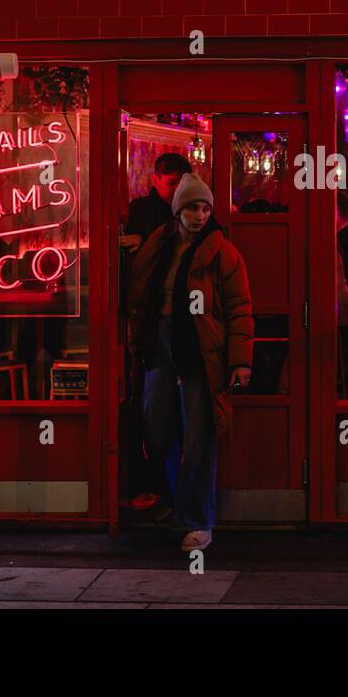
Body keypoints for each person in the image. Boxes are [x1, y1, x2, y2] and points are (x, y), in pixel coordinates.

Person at [124, 174, 254, 552]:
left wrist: (240, 362)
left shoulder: (222, 252)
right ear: (178, 209)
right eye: (193, 207)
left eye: (205, 208)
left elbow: (239, 309)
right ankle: (175, 502)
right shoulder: (158, 245)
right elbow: (138, 291)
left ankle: (197, 520)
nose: (200, 215)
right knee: (157, 429)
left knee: (199, 438)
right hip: (159, 347)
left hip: (199, 352)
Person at [120, 152, 193, 515]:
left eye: (180, 182)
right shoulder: (146, 211)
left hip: (165, 327)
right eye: (170, 181)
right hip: (155, 327)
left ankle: (173, 493)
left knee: (169, 411)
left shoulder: (187, 219)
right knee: (155, 411)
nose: (175, 188)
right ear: (156, 178)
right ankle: (163, 489)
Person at [121, 152, 192, 252]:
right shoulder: (142, 206)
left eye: (183, 184)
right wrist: (140, 237)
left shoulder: (191, 210)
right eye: (172, 183)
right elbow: (140, 229)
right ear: (155, 179)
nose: (178, 189)